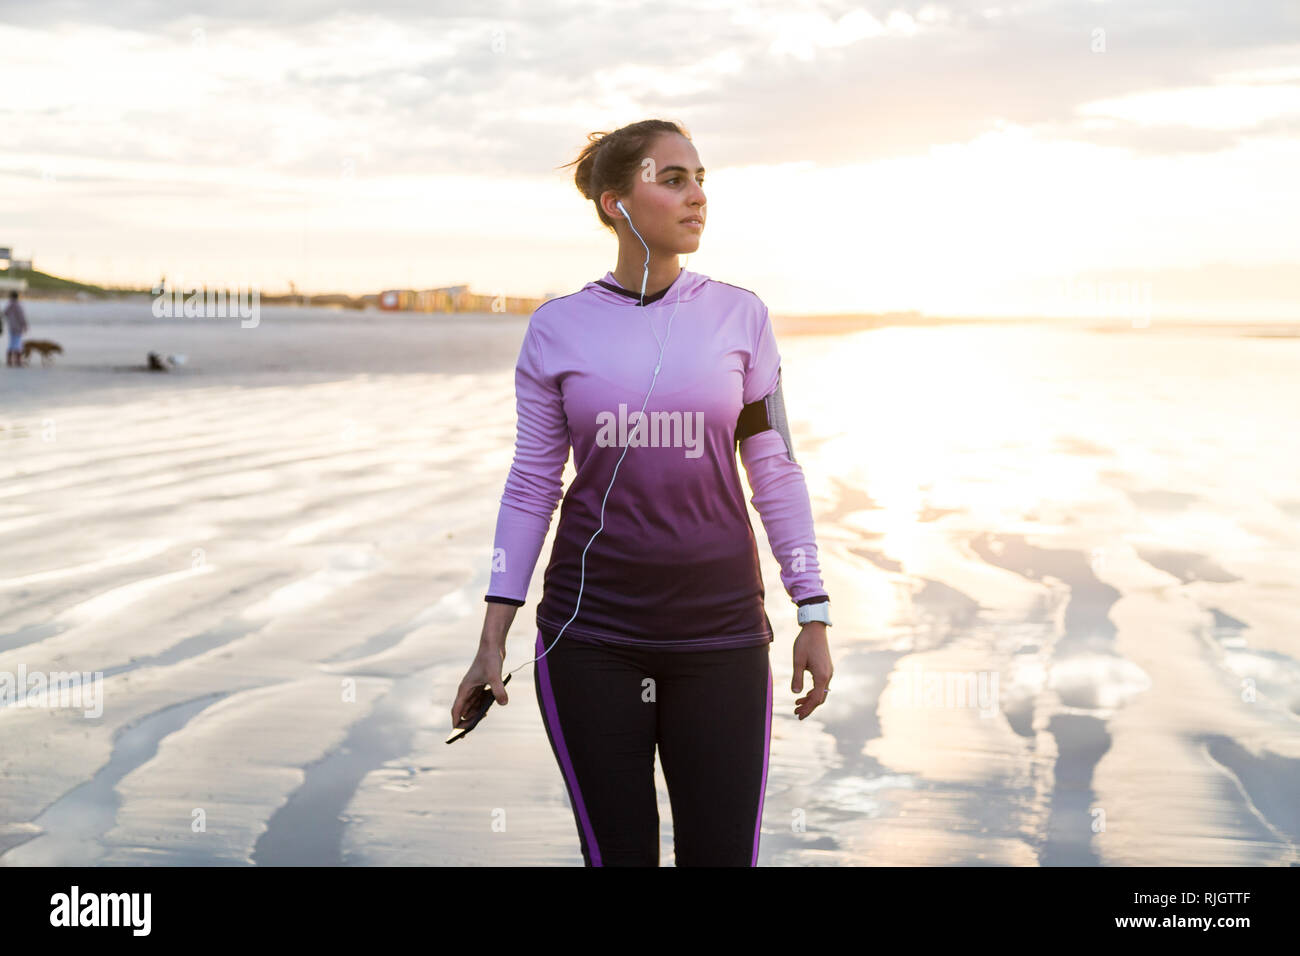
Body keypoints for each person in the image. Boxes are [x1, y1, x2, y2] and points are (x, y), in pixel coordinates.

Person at [451, 120, 834, 866]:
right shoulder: (556, 330)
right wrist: (492, 636)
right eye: (674, 179)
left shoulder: (741, 317)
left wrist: (811, 607)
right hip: (589, 640)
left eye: (701, 179)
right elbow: (532, 483)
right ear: (615, 204)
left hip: (720, 636)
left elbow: (775, 468)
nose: (698, 198)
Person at [4, 291, 27, 367]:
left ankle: (9, 361)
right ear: (17, 297)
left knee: (11, 343)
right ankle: (18, 361)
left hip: (11, 327)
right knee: (17, 344)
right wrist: (24, 325)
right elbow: (21, 317)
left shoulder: (9, 305)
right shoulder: (18, 305)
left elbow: (5, 314)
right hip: (18, 327)